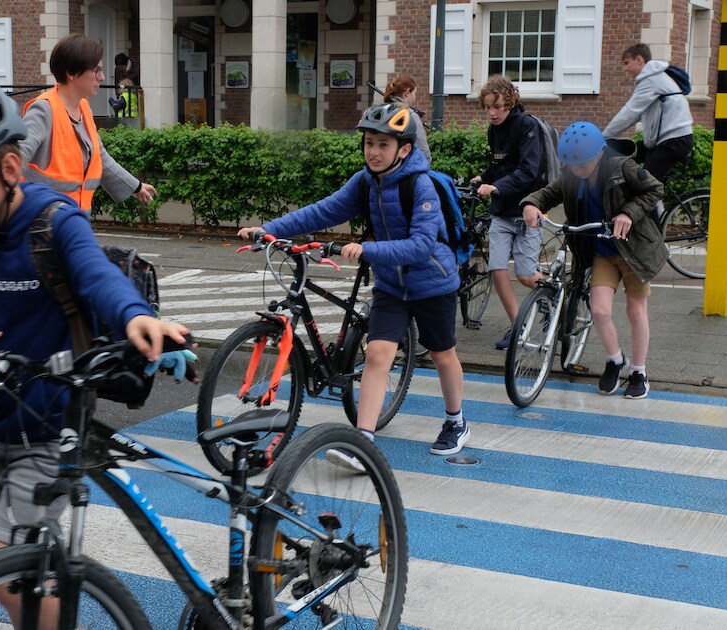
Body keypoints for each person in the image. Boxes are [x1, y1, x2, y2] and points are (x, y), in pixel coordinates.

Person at [0, 78, 190, 623]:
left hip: (46, 432)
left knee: (1, 568)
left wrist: (136, 317)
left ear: (10, 168)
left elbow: (96, 279)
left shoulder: (53, 220)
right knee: (17, 578)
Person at [237, 102, 469, 467]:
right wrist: (268, 229)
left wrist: (368, 249)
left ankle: (456, 421)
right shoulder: (365, 182)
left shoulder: (420, 185)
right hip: (392, 286)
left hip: (432, 283)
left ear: (404, 150)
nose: (373, 152)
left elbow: (423, 244)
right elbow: (322, 210)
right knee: (377, 355)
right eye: (369, 143)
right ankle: (363, 444)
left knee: (442, 354)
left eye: (383, 145)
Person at [519, 122, 667, 399]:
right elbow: (550, 192)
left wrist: (627, 213)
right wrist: (530, 203)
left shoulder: (623, 168)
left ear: (598, 156)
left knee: (636, 312)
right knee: (599, 311)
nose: (575, 171)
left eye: (581, 166)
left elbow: (654, 189)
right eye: (571, 166)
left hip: (633, 251)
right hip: (602, 253)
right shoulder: (573, 172)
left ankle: (639, 371)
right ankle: (615, 360)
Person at [19, 35, 156, 213]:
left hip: (74, 222)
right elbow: (13, 160)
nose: (102, 77)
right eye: (96, 70)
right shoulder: (44, 110)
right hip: (42, 226)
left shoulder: (84, 109)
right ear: (71, 73)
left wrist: (136, 186)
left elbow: (100, 158)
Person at [470, 75, 545, 350]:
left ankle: (552, 292)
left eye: (498, 106)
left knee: (526, 276)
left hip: (526, 210)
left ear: (510, 102)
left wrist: (496, 186)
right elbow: (499, 164)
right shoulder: (494, 130)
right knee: (497, 269)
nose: (492, 113)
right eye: (488, 107)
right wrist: (483, 178)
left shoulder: (527, 126)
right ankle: (519, 328)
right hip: (502, 213)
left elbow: (528, 171)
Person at [603, 43, 693, 184]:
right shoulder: (655, 78)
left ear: (639, 60)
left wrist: (603, 137)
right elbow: (637, 115)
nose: (625, 68)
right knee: (626, 157)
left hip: (673, 142)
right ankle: (655, 204)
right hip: (665, 140)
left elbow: (630, 113)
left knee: (644, 186)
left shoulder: (651, 80)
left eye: (627, 63)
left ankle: (650, 204)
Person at [383, 75, 430, 163]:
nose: (415, 97)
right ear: (407, 92)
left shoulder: (383, 111)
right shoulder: (410, 115)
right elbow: (422, 150)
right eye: (414, 93)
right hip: (406, 168)